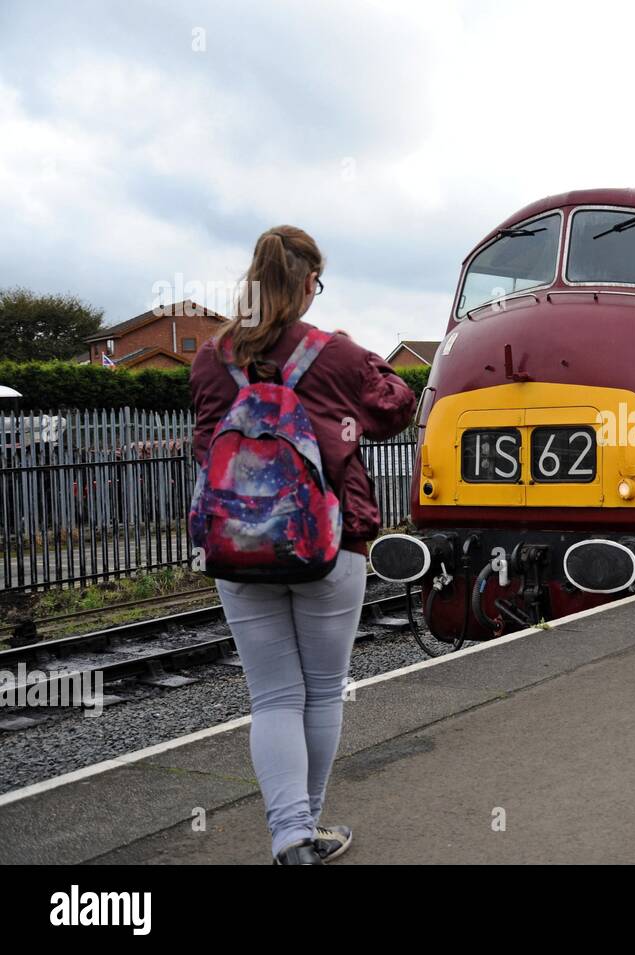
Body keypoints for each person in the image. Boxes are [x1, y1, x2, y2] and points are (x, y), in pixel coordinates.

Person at [190, 226, 416, 863]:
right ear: (308, 282)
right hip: (330, 542)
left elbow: (205, 444)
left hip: (236, 546)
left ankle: (290, 837)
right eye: (318, 282)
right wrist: (353, 367)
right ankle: (305, 832)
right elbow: (397, 406)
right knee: (321, 690)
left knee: (273, 697)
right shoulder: (334, 354)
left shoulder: (212, 357)